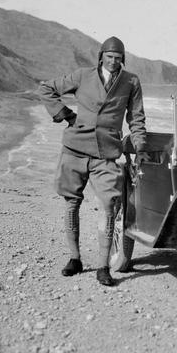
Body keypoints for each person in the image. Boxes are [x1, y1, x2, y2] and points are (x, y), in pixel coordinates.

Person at [38, 36, 147, 286]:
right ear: (101, 57)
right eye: (109, 57)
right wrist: (65, 114)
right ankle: (74, 259)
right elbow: (46, 88)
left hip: (106, 154)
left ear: (123, 60)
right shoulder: (82, 75)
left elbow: (137, 118)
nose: (113, 62)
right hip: (74, 149)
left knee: (109, 206)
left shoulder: (131, 81)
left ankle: (103, 267)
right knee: (72, 203)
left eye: (118, 58)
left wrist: (140, 146)